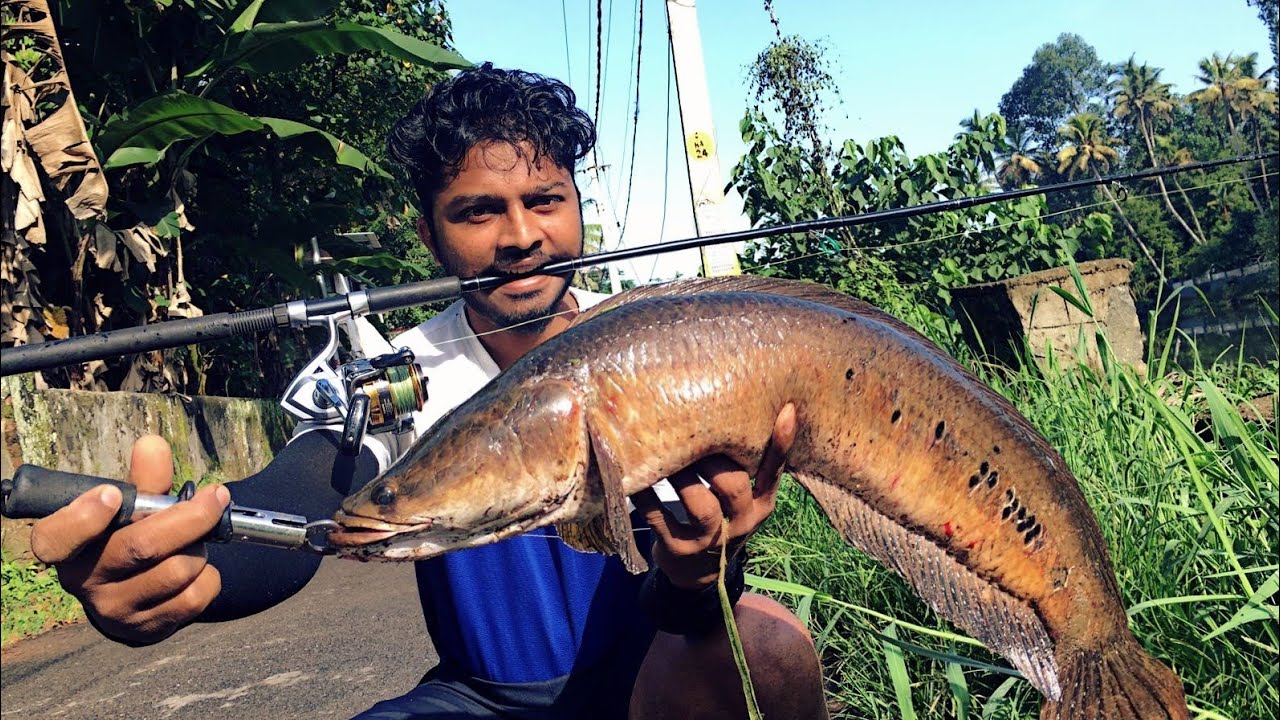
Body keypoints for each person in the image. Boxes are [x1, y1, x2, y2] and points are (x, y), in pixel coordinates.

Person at [29, 64, 828, 720]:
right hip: (479, 698)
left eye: (545, 201)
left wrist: (703, 571)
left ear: (579, 209)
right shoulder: (395, 372)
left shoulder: (664, 349)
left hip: (655, 663)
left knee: (769, 650)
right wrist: (196, 560)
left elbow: (697, 603)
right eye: (478, 212)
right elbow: (307, 490)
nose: (520, 236)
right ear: (429, 236)